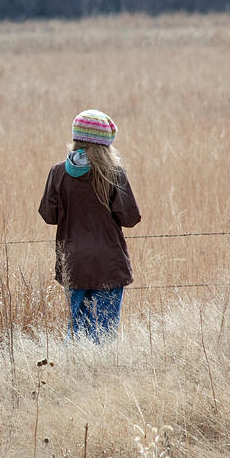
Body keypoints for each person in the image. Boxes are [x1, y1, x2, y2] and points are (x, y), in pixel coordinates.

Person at [38, 109, 141, 342]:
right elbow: (130, 218)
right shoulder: (113, 174)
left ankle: (72, 371)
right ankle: (99, 375)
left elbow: (48, 215)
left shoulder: (58, 172)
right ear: (105, 144)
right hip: (108, 262)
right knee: (104, 331)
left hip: (73, 261)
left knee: (77, 329)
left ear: (76, 139)